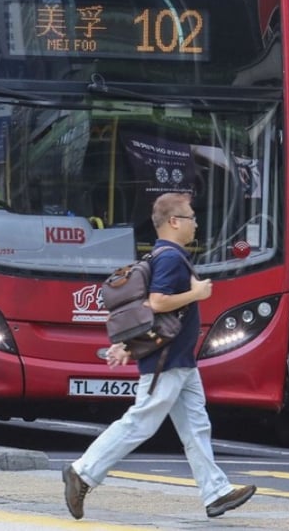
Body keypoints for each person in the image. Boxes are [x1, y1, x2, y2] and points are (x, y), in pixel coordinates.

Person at [61, 191, 257, 520]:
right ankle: (83, 472)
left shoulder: (168, 255)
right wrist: (197, 293)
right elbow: (156, 302)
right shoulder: (168, 258)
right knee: (141, 422)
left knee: (196, 426)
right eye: (192, 218)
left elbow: (155, 313)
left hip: (180, 360)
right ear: (174, 222)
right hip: (167, 361)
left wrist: (127, 345)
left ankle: (216, 492)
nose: (196, 224)